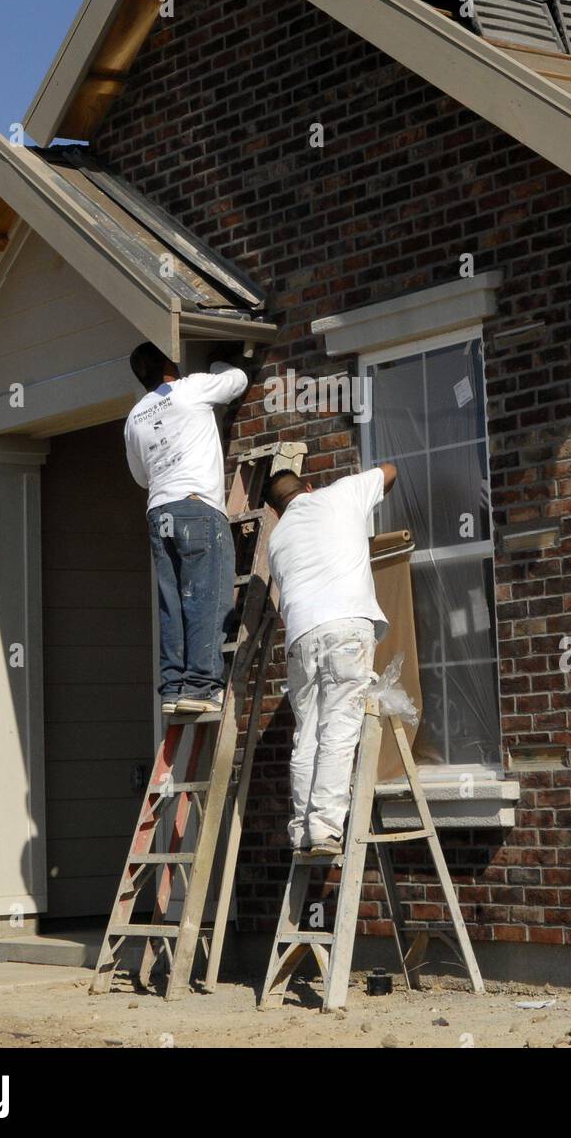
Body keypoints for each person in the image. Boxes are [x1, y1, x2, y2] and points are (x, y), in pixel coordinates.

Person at [266, 463, 398, 855]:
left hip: (302, 636)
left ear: (275, 510)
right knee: (339, 726)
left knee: (307, 734)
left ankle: (303, 830)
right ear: (310, 485)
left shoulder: (277, 540)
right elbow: (390, 470)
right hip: (345, 627)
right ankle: (325, 829)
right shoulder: (340, 493)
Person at [125, 342, 247, 715]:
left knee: (173, 602)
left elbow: (140, 477)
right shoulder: (191, 388)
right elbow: (237, 380)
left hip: (159, 511)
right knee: (207, 596)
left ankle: (174, 687)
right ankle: (201, 686)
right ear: (167, 365)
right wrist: (217, 362)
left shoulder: (134, 418)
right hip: (196, 508)